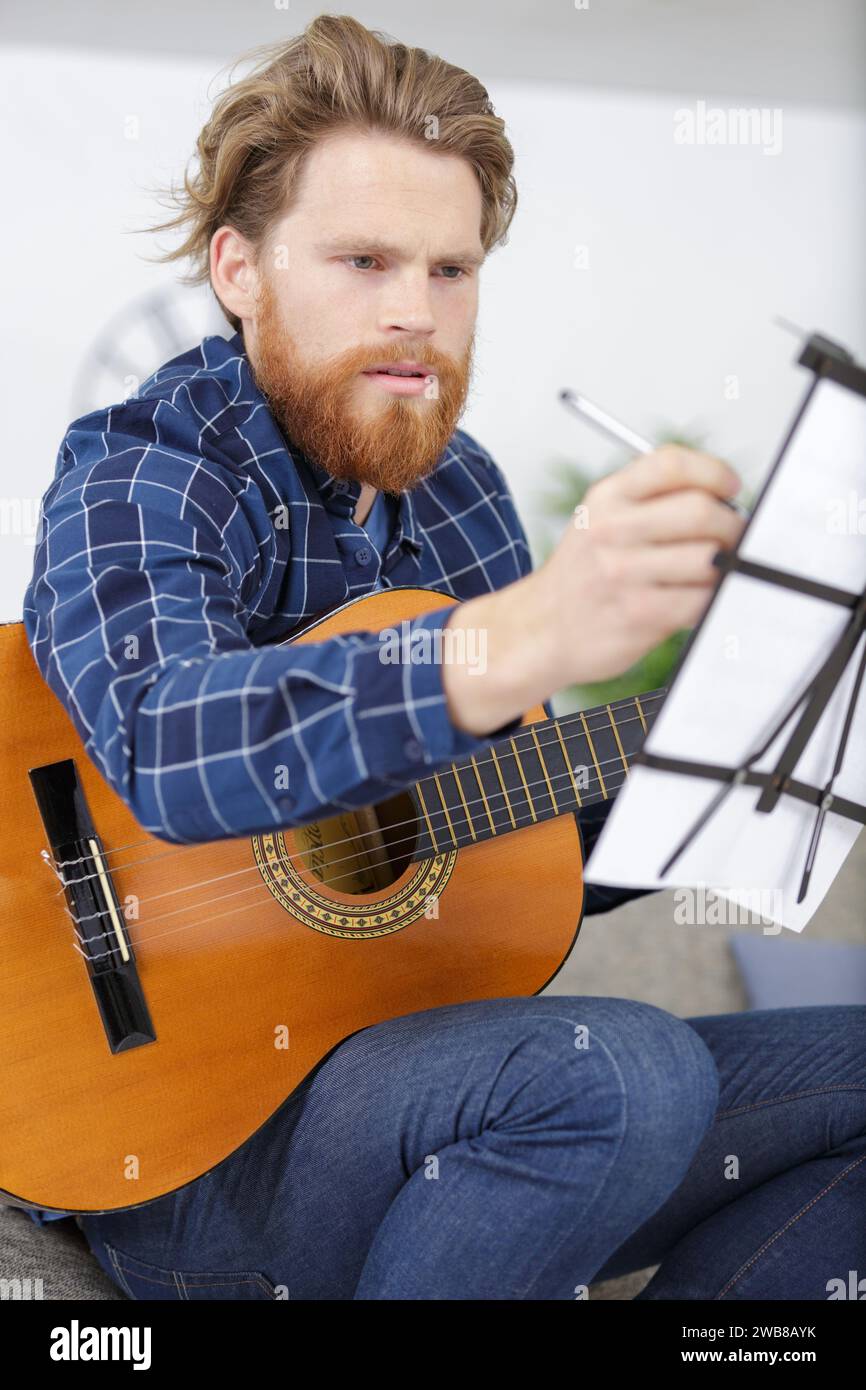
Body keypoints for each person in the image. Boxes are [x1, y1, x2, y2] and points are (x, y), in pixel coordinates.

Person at [22, 15, 865, 1300]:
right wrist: (509, 637)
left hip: (399, 1102)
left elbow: (490, 863)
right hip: (167, 1141)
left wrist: (757, 740)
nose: (415, 315)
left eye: (451, 269)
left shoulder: (457, 493)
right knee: (619, 1067)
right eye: (362, 260)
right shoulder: (146, 465)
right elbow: (161, 743)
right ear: (239, 267)